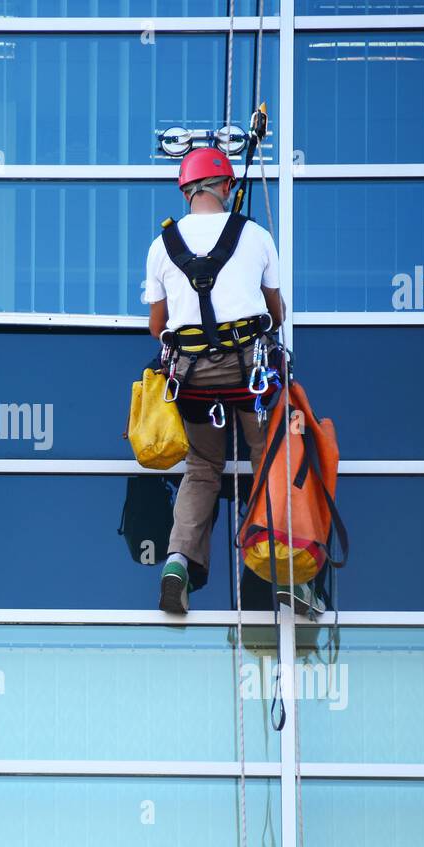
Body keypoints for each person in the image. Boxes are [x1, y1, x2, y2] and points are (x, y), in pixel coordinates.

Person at [142, 149, 283, 614]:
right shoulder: (256, 235)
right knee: (267, 459)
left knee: (203, 466)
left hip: (194, 379)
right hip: (248, 376)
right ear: (226, 187)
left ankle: (177, 562)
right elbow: (275, 313)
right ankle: (280, 562)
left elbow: (157, 323)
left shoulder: (162, 245)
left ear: (185, 191)